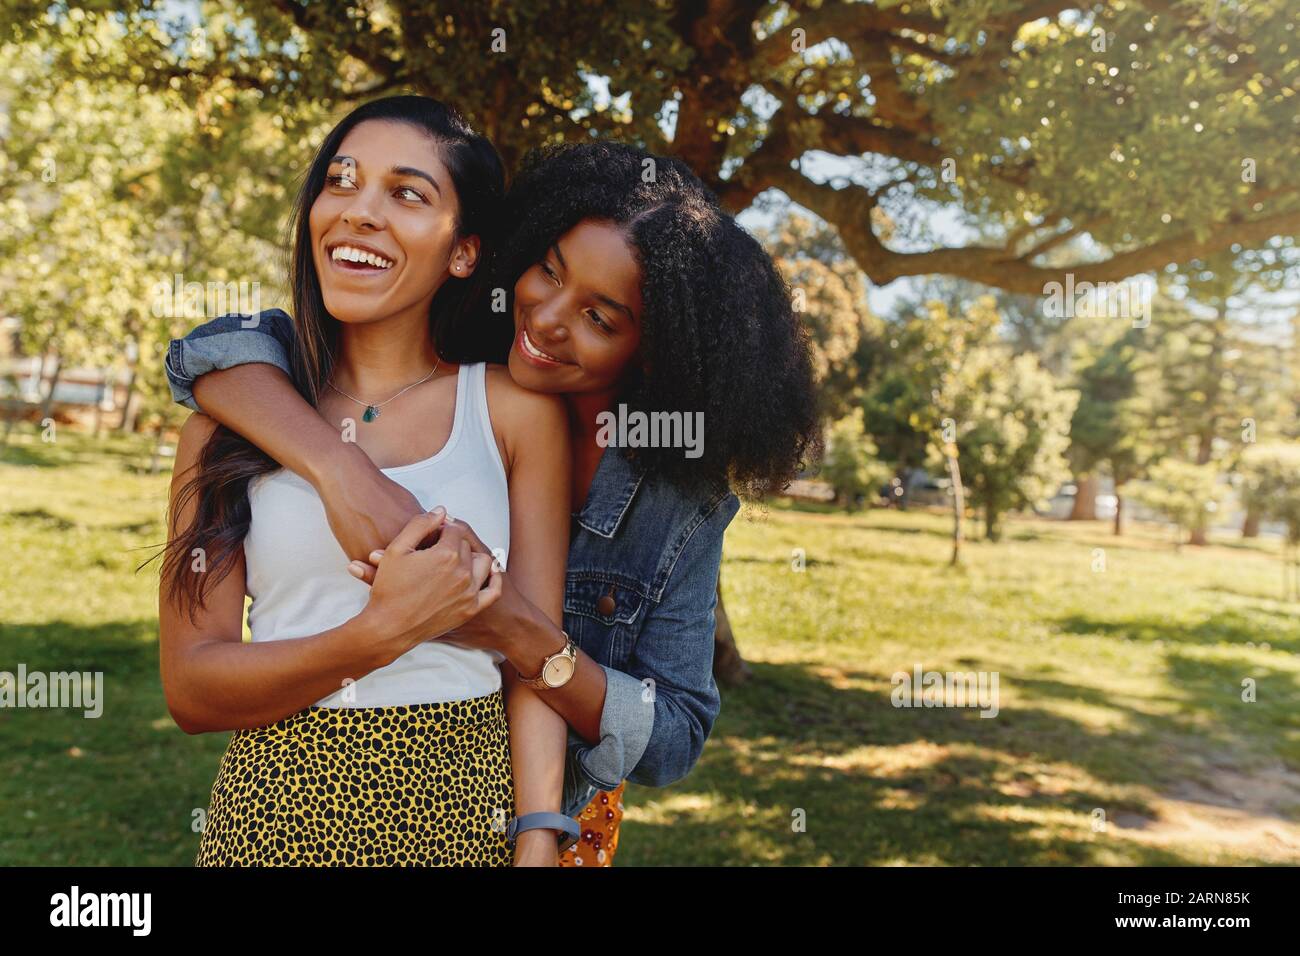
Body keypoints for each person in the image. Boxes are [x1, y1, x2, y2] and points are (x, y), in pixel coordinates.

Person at [165, 139, 820, 866]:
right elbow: (219, 355)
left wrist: (521, 633)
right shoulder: (457, 347)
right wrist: (343, 471)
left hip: (546, 810)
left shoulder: (677, 503)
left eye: (600, 319)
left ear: (657, 351)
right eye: (548, 272)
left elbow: (674, 738)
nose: (545, 319)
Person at [158, 95, 575, 866]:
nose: (359, 211)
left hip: (464, 818)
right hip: (276, 821)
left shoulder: (514, 413)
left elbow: (535, 656)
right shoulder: (230, 427)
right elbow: (192, 687)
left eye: (407, 193)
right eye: (341, 181)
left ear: (464, 253)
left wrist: (538, 838)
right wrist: (375, 635)